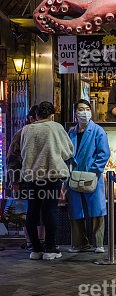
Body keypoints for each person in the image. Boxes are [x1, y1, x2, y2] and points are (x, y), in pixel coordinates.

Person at [21, 101, 74, 261]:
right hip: (53, 175)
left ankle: (36, 250)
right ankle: (50, 249)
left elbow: (24, 152)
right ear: (52, 115)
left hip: (33, 176)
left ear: (36, 115)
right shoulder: (56, 127)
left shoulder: (27, 129)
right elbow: (68, 151)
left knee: (32, 211)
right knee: (50, 211)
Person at [67, 99, 111, 254]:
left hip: (92, 175)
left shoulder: (97, 130)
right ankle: (80, 243)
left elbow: (104, 153)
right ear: (75, 113)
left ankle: (98, 243)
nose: (84, 112)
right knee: (76, 210)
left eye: (87, 109)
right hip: (74, 176)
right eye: (81, 109)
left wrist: (94, 171)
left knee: (96, 210)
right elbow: (67, 154)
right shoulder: (71, 132)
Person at [6, 105, 46, 252]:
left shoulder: (45, 132)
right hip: (24, 180)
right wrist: (15, 181)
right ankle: (31, 242)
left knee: (41, 210)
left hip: (42, 178)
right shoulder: (21, 133)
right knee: (26, 212)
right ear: (31, 118)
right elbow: (13, 159)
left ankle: (40, 241)